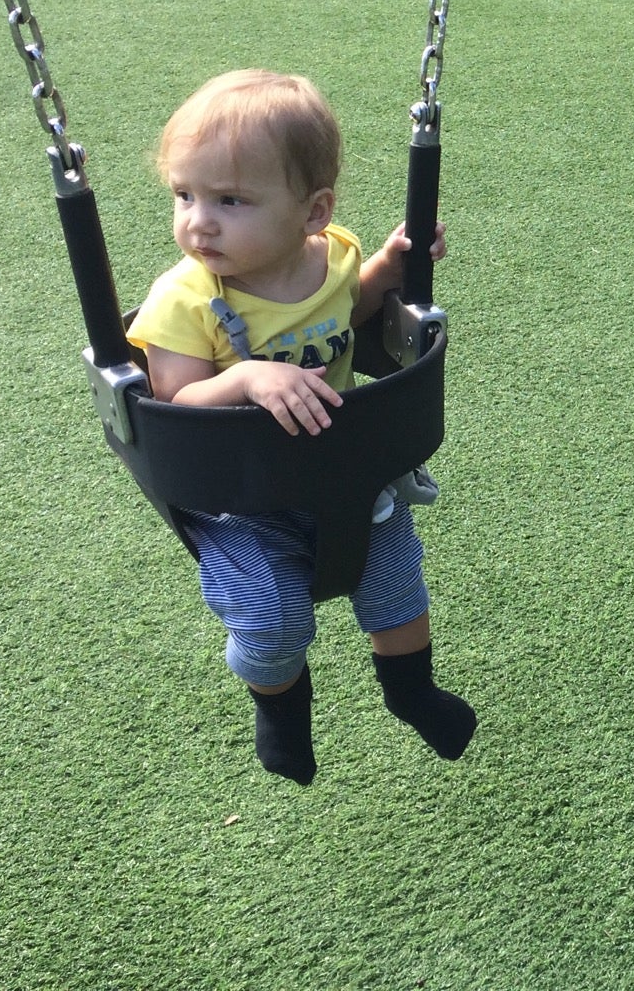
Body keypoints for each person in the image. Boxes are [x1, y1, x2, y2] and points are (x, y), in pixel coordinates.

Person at [129, 69, 475, 785]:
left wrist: (391, 264)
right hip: (241, 504)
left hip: (349, 480)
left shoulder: (333, 257)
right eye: (184, 195)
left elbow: (348, 315)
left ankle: (411, 692)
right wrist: (249, 377)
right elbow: (177, 403)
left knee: (397, 591)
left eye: (230, 200)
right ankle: (283, 709)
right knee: (270, 623)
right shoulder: (182, 300)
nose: (199, 221)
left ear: (313, 212)